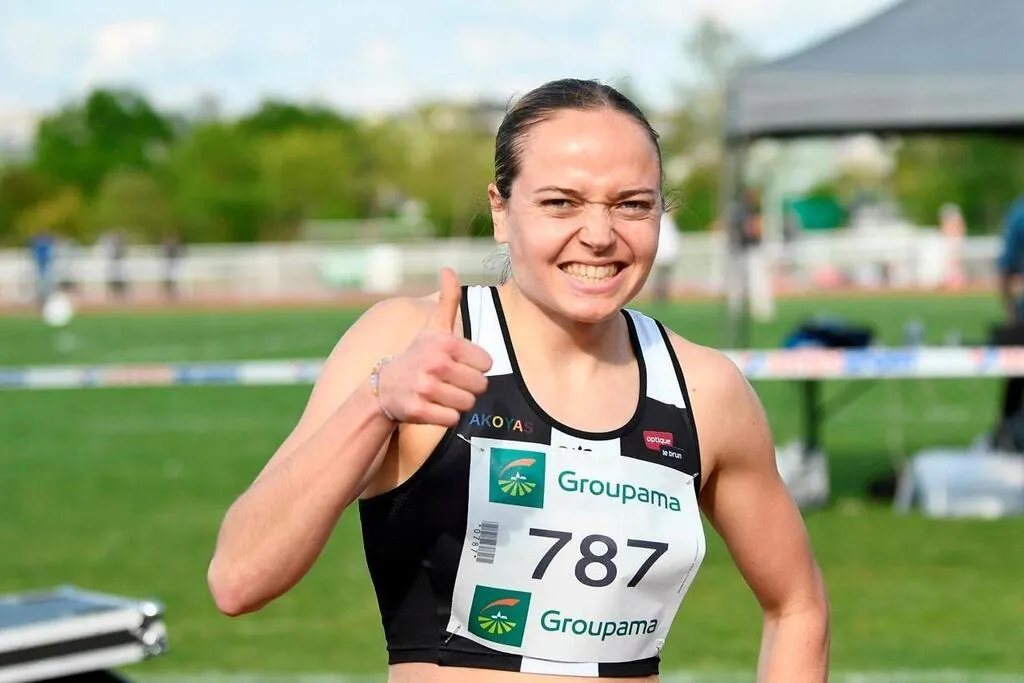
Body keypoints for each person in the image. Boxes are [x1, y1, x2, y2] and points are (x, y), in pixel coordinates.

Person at [207, 79, 830, 682]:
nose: (599, 235)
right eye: (561, 202)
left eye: (632, 204)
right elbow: (239, 579)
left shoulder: (704, 388)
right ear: (501, 211)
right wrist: (379, 404)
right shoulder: (410, 340)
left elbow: (798, 605)